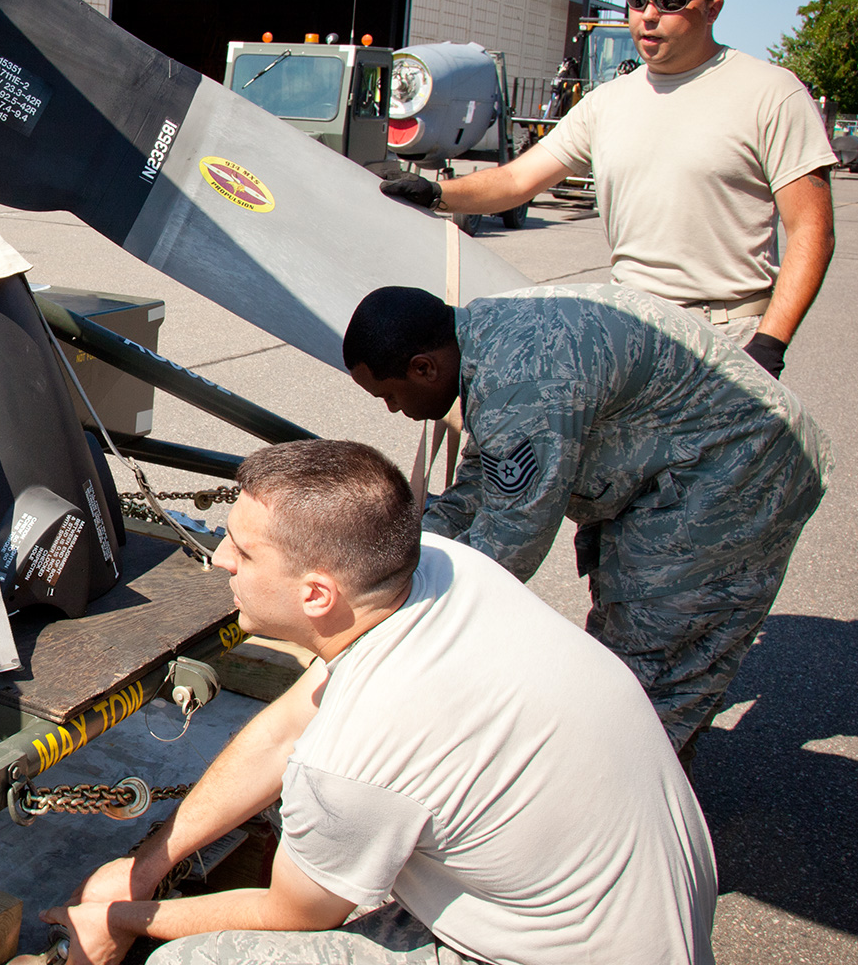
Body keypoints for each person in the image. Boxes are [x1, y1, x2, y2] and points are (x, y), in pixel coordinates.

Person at [43, 440, 716, 965]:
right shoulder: (442, 571)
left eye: (244, 552)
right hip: (632, 957)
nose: (220, 559)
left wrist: (125, 918)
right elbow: (287, 729)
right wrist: (150, 863)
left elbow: (293, 913)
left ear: (316, 594)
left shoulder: (359, 752)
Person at [342, 283, 831, 753]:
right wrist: (392, 553)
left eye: (389, 395)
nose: (392, 409)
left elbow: (507, 547)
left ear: (424, 368)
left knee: (648, 677)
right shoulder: (484, 335)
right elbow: (484, 480)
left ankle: (637, 795)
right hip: (684, 464)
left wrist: (385, 610)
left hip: (737, 473)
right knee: (621, 658)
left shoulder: (521, 383)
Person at [383, 0, 837, 380]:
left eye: (671, 2)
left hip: (725, 335)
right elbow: (518, 181)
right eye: (638, 0)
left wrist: (769, 344)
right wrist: (438, 192)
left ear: (713, 9)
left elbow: (811, 230)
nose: (649, 16)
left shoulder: (770, 94)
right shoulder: (607, 102)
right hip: (628, 328)